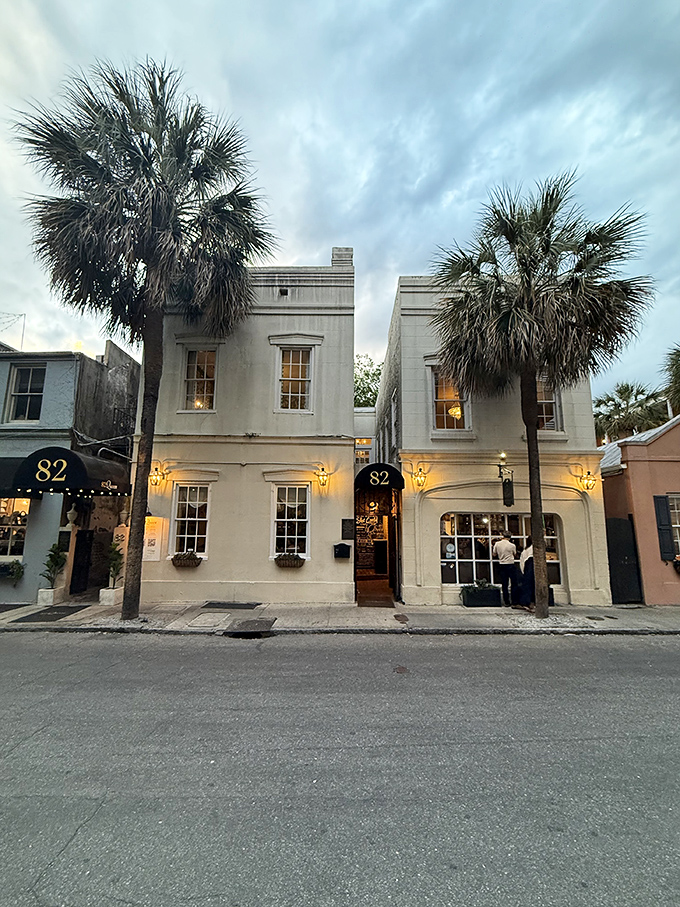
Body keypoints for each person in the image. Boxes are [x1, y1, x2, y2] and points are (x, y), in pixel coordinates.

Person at [492, 531, 517, 606]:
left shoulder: (497, 544)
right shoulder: (512, 545)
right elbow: (515, 554)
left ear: (503, 536)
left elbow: (494, 554)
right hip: (510, 564)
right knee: (514, 583)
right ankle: (514, 601)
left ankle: (506, 601)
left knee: (504, 583)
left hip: (502, 564)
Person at [518, 537, 534, 608]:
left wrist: (523, 571)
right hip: (530, 568)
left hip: (526, 569)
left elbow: (522, 562)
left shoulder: (525, 551)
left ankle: (526, 601)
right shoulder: (533, 549)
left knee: (527, 586)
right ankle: (530, 601)